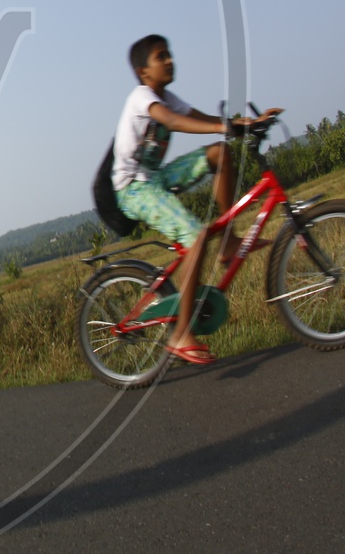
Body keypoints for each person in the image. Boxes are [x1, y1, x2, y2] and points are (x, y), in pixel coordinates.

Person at [112, 35, 280, 365]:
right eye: (162, 57)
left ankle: (229, 241)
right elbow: (174, 122)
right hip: (133, 188)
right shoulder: (141, 98)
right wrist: (226, 126)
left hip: (155, 177)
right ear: (144, 72)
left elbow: (203, 119)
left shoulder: (167, 96)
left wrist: (244, 124)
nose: (170, 60)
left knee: (220, 153)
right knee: (198, 236)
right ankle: (180, 335)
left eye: (170, 54)